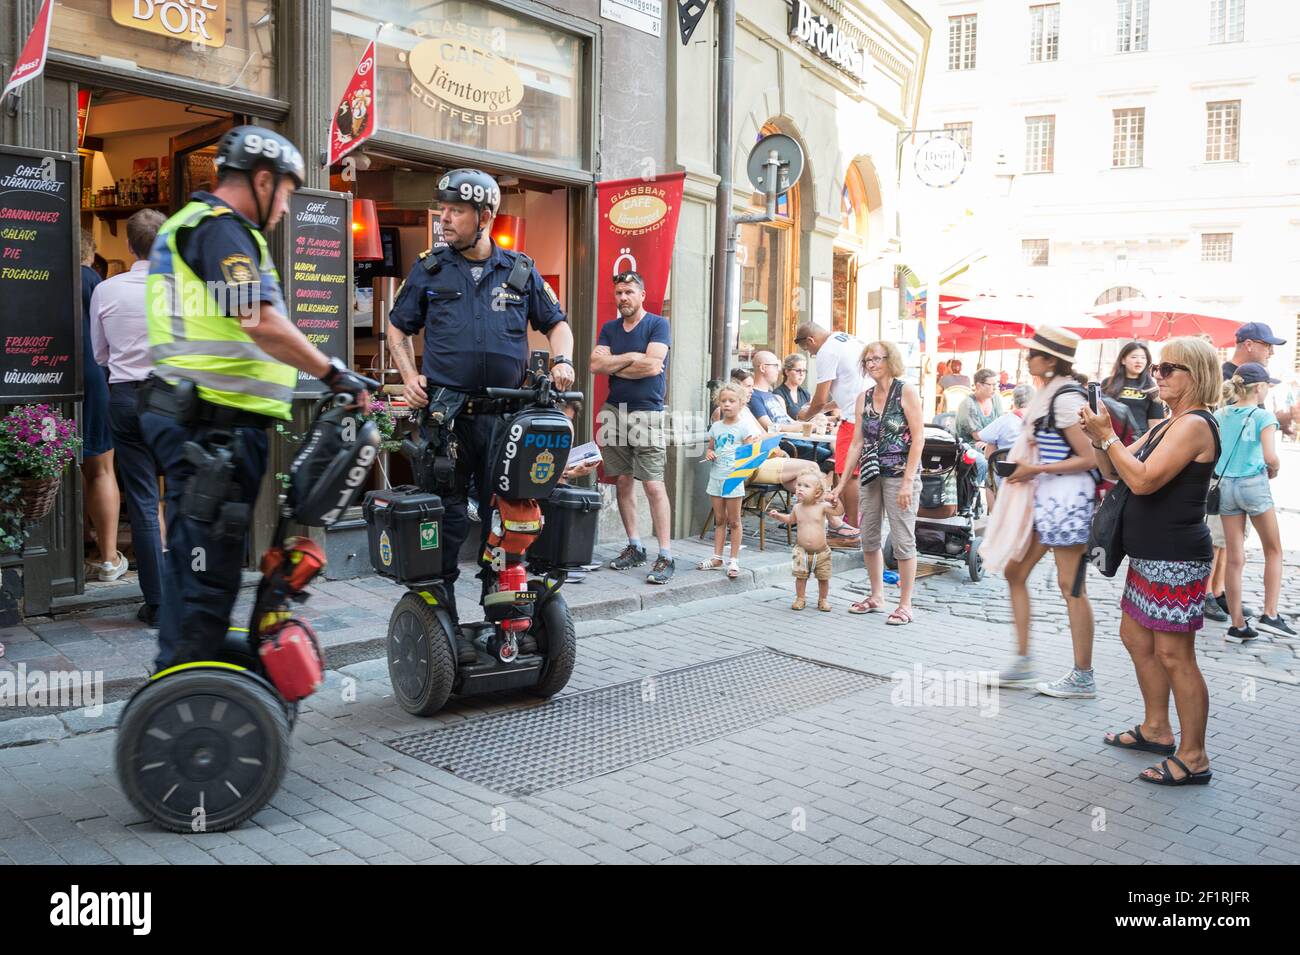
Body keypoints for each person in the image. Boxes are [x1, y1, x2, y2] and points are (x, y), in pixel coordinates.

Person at [140, 126, 373, 670]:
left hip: (210, 426)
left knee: (208, 572)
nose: (288, 206)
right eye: (287, 191)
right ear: (261, 180)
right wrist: (336, 373)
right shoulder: (220, 230)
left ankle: (194, 680)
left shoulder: (202, 229)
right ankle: (186, 702)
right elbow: (258, 321)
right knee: (204, 578)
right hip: (210, 430)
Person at [389, 167, 574, 645]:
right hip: (447, 419)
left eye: (455, 210)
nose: (444, 218)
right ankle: (441, 623)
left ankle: (503, 612)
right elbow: (397, 328)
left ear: (485, 215)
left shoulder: (520, 270)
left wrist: (564, 360)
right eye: (442, 209)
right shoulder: (430, 269)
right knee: (448, 517)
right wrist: (410, 378)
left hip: (506, 420)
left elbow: (557, 324)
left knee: (511, 514)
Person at [1082, 337, 1223, 786]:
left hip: (1175, 557)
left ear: (1195, 374)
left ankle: (1194, 756)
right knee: (1136, 639)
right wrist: (1101, 438)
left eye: (1168, 368)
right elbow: (1114, 470)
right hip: (1150, 555)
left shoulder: (1196, 424)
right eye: (1157, 368)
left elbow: (1142, 482)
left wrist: (1107, 436)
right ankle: (1156, 728)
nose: (1157, 375)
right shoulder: (1170, 422)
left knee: (1175, 654)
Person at [980, 326, 1097, 698]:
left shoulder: (1063, 399)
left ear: (1049, 360)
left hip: (1067, 501)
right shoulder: (1051, 393)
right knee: (1017, 572)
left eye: (1033, 352)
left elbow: (1088, 457)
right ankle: (1024, 661)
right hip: (1048, 498)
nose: (1027, 356)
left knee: (1071, 586)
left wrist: (1035, 470)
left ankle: (1083, 675)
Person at [88, 209, 167, 624]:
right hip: (178, 400)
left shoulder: (107, 289)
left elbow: (100, 354)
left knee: (142, 499)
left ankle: (157, 603)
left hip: (127, 398)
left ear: (129, 246)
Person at [589, 271, 674, 583]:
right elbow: (595, 365)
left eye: (629, 292)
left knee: (652, 484)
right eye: (619, 292)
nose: (623, 297)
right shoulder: (610, 328)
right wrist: (632, 359)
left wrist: (617, 363)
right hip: (614, 411)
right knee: (623, 481)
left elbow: (653, 365)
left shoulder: (657, 324)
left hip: (647, 413)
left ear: (642, 294)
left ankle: (665, 554)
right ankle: (635, 546)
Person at [832, 340, 925, 625]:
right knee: (869, 536)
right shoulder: (865, 397)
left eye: (876, 359)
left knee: (902, 540)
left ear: (890, 360)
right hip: (871, 474)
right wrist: (840, 484)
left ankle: (906, 604)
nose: (871, 364)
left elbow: (919, 438)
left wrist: (909, 481)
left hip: (900, 474)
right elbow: (857, 443)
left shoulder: (905, 392)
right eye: (867, 360)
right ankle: (876, 596)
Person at [1216, 364, 1292, 639]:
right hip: (1253, 485)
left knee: (1235, 558)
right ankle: (1270, 614)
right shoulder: (1263, 416)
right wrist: (1277, 467)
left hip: (1226, 488)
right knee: (1273, 550)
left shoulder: (1220, 414)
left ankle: (1237, 624)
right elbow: (1270, 457)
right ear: (1259, 387)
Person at [79, 231, 125, 582]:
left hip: (43, 374)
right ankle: (109, 557)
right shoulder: (96, 282)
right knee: (101, 468)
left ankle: (80, 540)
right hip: (94, 377)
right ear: (91, 252)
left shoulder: (43, 276)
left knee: (67, 466)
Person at [793, 322, 864, 546]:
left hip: (854, 419)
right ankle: (857, 526)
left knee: (848, 474)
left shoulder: (826, 351)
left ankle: (850, 530)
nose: (810, 355)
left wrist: (805, 415)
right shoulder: (847, 338)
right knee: (859, 473)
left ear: (811, 340)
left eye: (807, 349)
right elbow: (847, 391)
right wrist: (821, 410)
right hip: (868, 411)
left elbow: (820, 397)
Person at [700, 383, 763, 580]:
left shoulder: (744, 427)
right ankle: (717, 557)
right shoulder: (716, 427)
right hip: (716, 478)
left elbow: (749, 456)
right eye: (723, 401)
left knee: (734, 521)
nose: (727, 405)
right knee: (719, 520)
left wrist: (746, 458)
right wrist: (710, 453)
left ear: (741, 403)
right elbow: (710, 448)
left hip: (733, 479)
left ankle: (733, 559)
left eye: (732, 401)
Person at [767, 471, 843, 612]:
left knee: (823, 578)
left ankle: (823, 599)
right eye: (798, 485)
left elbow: (838, 512)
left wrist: (835, 502)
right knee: (800, 577)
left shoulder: (822, 507)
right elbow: (790, 520)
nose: (800, 488)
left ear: (817, 493)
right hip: (800, 551)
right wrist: (778, 516)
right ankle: (800, 598)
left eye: (806, 486)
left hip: (822, 552)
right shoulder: (797, 508)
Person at [749, 350, 832, 469]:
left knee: (836, 449)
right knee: (826, 455)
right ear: (762, 368)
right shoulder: (754, 396)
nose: (779, 370)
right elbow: (770, 427)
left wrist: (813, 424)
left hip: (796, 439)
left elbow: (789, 420)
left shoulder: (770, 394)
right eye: (776, 365)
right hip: (784, 443)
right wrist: (807, 426)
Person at [1101, 341, 1165, 439]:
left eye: (1143, 358)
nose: (1139, 361)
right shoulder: (1108, 383)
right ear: (1123, 360)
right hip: (1110, 438)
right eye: (1134, 357)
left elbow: (1155, 424)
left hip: (1138, 440)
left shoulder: (1152, 388)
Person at [955, 368, 1003, 489]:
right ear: (978, 385)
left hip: (989, 443)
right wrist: (989, 440)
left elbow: (1001, 425)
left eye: (996, 384)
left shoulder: (996, 399)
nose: (995, 388)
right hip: (969, 446)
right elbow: (977, 436)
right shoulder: (968, 404)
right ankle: (972, 495)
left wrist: (989, 441)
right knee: (983, 462)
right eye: (990, 385)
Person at [774, 354, 811, 418]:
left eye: (804, 370)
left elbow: (816, 414)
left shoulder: (805, 394)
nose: (802, 374)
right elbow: (784, 421)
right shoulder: (779, 394)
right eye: (798, 370)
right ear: (787, 372)